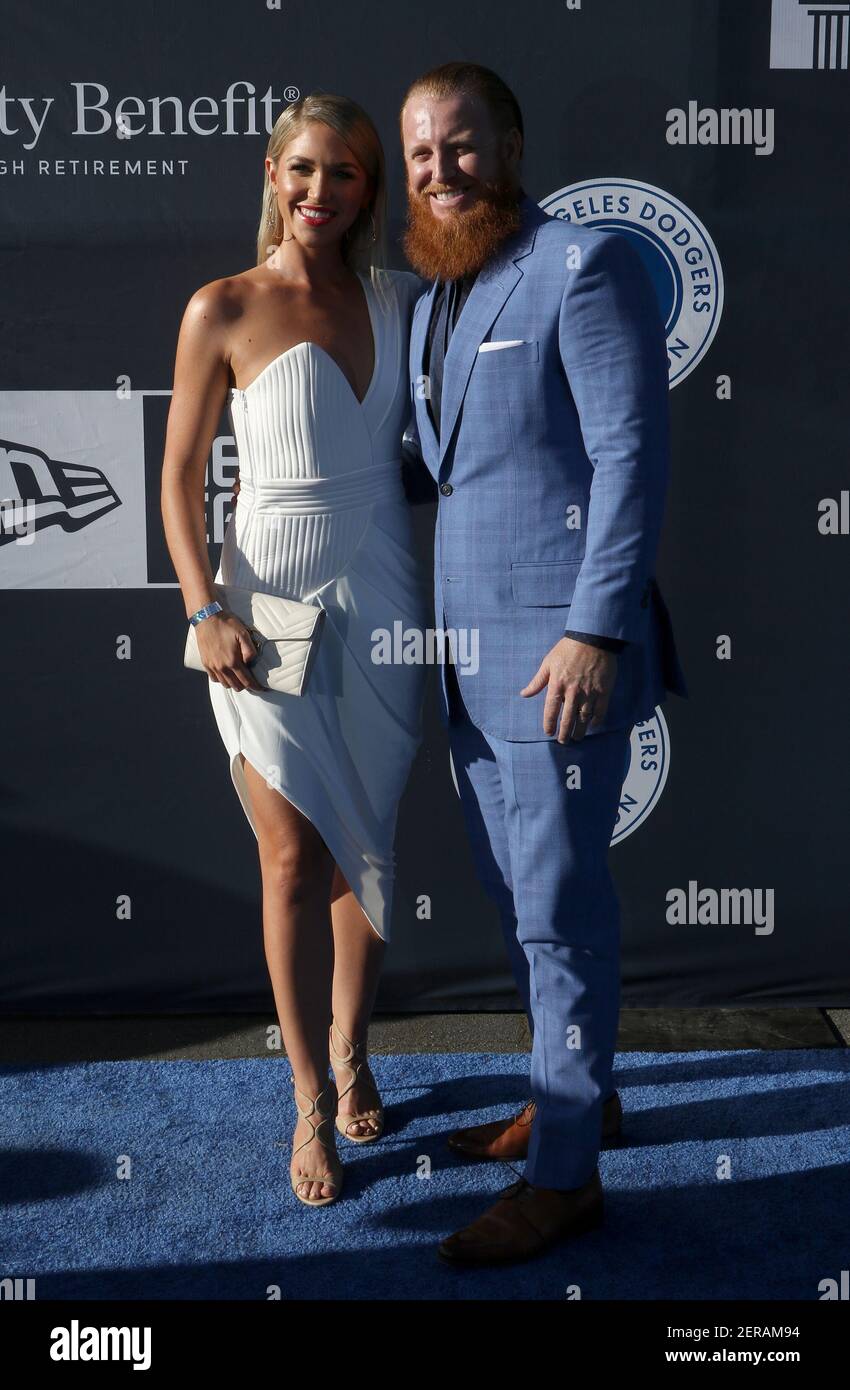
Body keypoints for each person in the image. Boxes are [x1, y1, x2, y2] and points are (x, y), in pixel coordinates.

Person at [399, 61, 688, 1265]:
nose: (438, 171)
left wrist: (594, 628)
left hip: (562, 655)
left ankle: (567, 1182)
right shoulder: (430, 303)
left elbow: (630, 457)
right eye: (419, 156)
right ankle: (580, 1097)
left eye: (459, 147)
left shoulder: (584, 261)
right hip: (470, 667)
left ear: (508, 145)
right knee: (522, 904)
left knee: (562, 916)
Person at [161, 93, 428, 1208]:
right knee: (291, 858)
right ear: (272, 173)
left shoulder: (403, 300)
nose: (324, 192)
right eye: (305, 170)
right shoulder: (220, 307)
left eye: (350, 174)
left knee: (363, 850)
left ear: (373, 191)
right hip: (262, 607)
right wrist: (199, 606)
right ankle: (309, 1097)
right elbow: (176, 477)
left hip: (388, 595)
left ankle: (356, 1046)